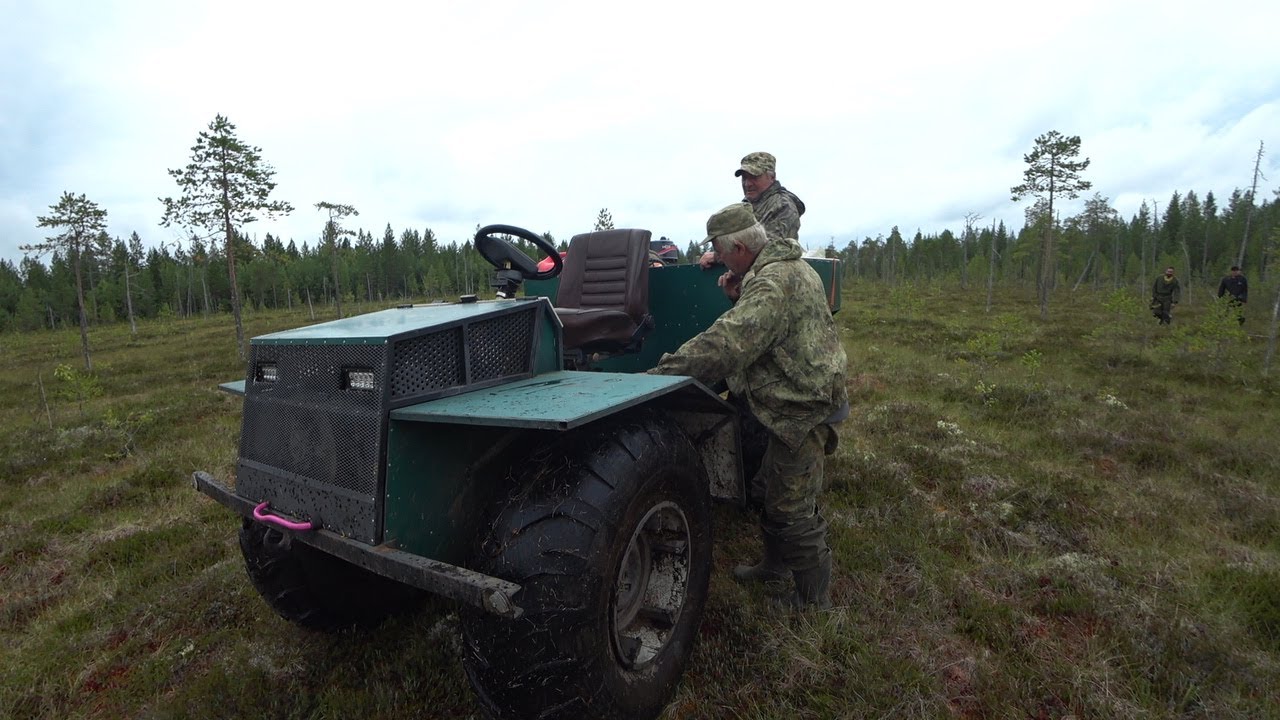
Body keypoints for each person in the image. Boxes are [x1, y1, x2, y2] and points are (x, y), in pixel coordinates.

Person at [649, 202, 847, 610]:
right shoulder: (782, 269)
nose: (717, 259)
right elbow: (765, 329)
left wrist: (661, 374)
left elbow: (728, 343)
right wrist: (737, 298)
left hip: (803, 409)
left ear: (739, 248)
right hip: (790, 400)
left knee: (792, 508)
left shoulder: (772, 283)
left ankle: (815, 604)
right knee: (767, 489)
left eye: (719, 251)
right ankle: (775, 567)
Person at [699, 151, 806, 269]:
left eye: (754, 177)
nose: (747, 184)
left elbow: (767, 249)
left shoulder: (783, 205)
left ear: (772, 177)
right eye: (744, 178)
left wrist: (718, 256)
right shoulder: (748, 205)